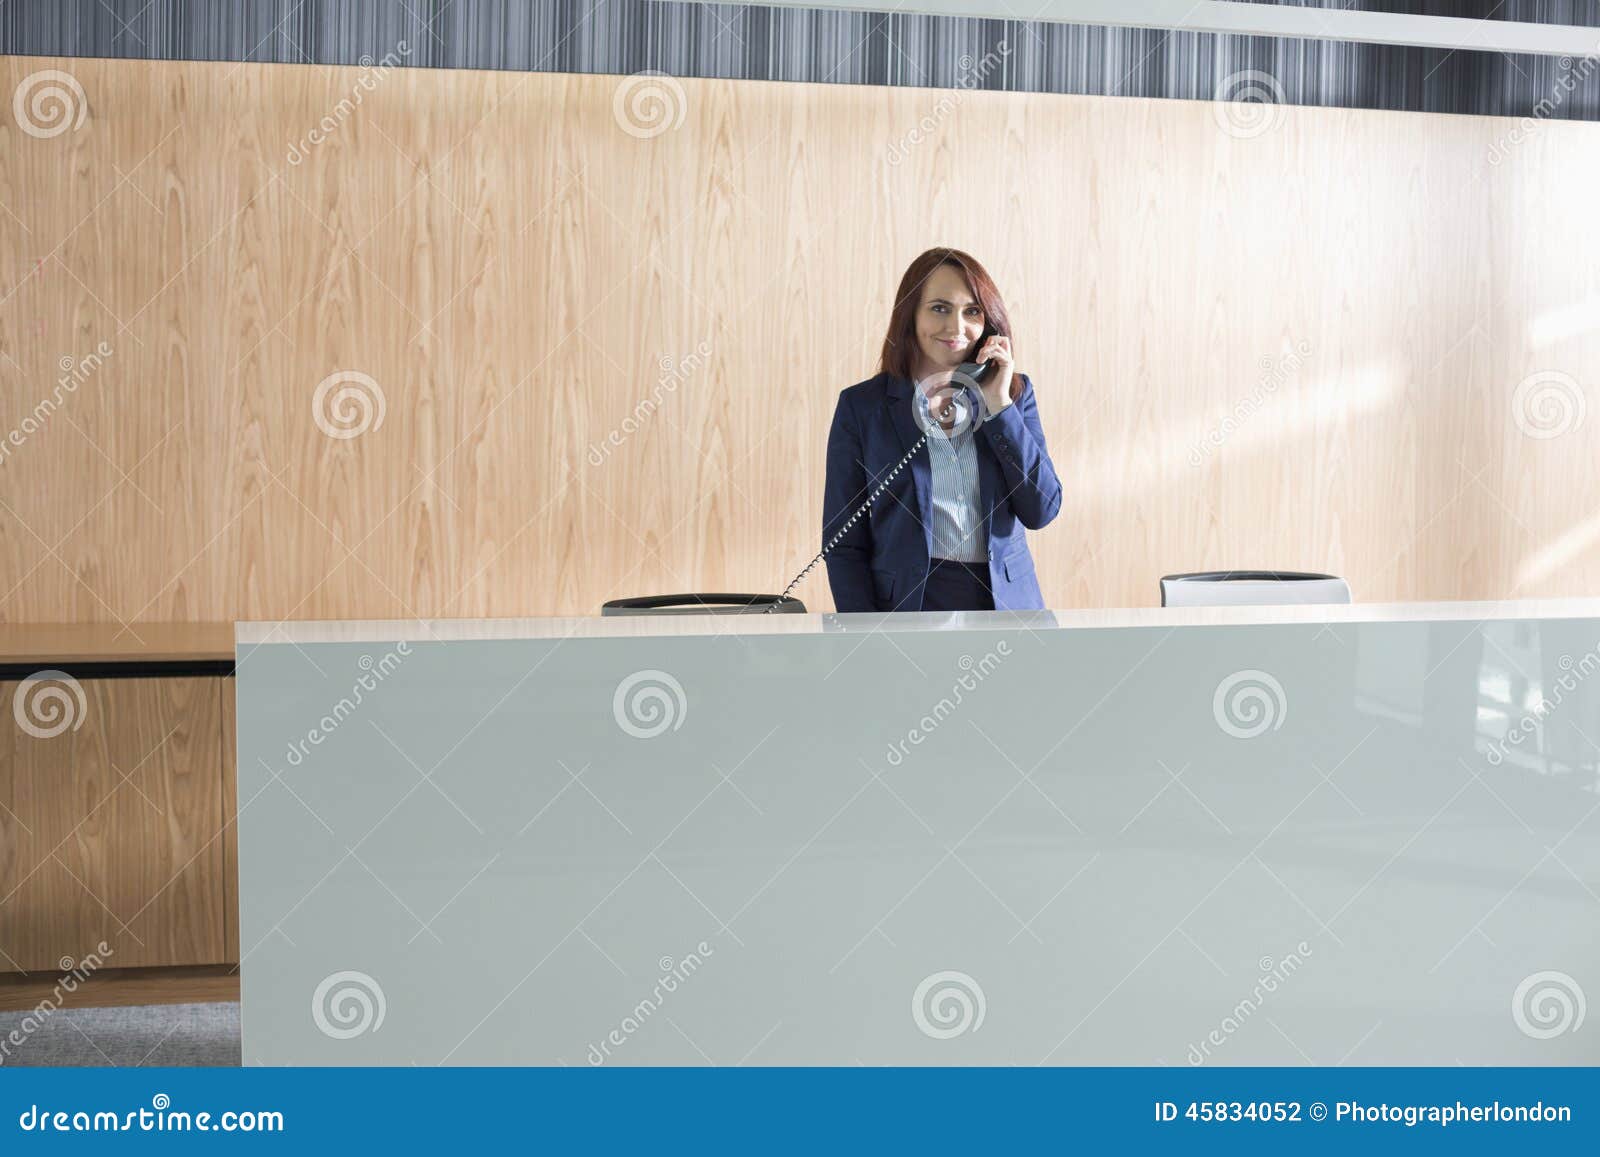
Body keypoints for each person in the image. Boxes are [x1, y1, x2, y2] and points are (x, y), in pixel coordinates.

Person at [822, 247, 1062, 612]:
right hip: (909, 606)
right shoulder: (863, 407)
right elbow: (844, 542)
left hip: (1006, 607)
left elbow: (1042, 510)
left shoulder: (1014, 394)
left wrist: (999, 406)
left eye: (972, 311)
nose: (956, 327)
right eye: (939, 308)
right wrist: (864, 637)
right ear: (910, 315)